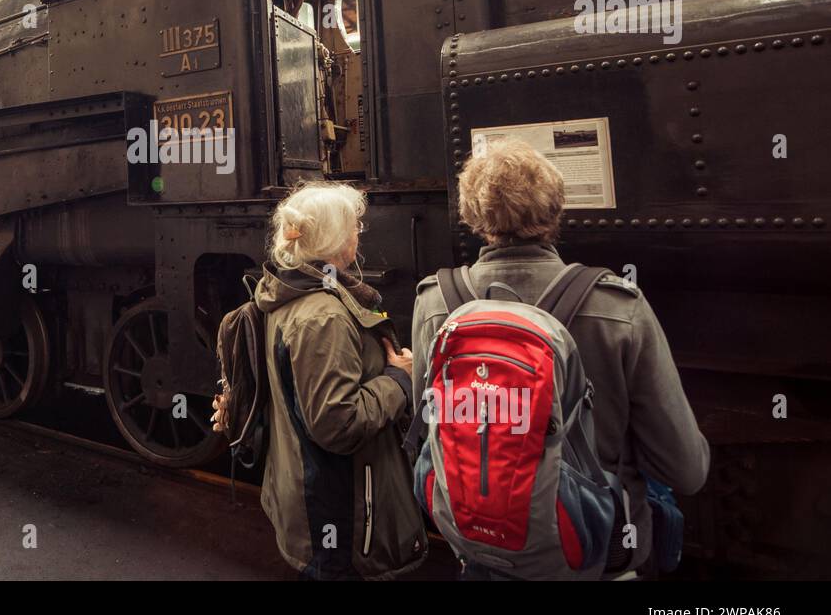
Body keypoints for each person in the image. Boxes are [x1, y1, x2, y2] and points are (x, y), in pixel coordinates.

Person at [410, 138, 711, 577]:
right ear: (555, 210)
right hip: (592, 549)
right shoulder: (619, 308)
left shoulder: (435, 302)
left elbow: (428, 429)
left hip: (480, 544)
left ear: (474, 217)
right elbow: (686, 470)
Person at [233, 181, 425, 579]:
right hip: (341, 513)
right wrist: (398, 379)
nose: (358, 232)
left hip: (313, 500)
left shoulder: (286, 295)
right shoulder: (323, 316)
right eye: (354, 224)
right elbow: (338, 423)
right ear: (335, 238)